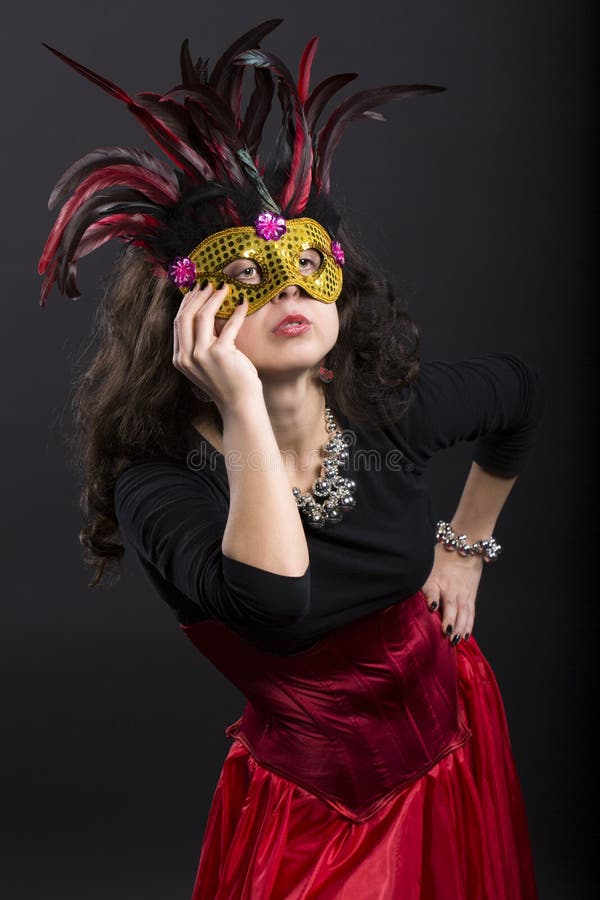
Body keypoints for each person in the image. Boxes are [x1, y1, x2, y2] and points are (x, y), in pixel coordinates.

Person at [39, 19, 544, 899]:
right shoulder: (159, 488)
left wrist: (466, 546)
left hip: (454, 739)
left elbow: (517, 395)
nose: (285, 288)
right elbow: (274, 606)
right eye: (244, 276)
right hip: (318, 812)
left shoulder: (388, 413)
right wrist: (241, 407)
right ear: (188, 321)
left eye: (306, 262)